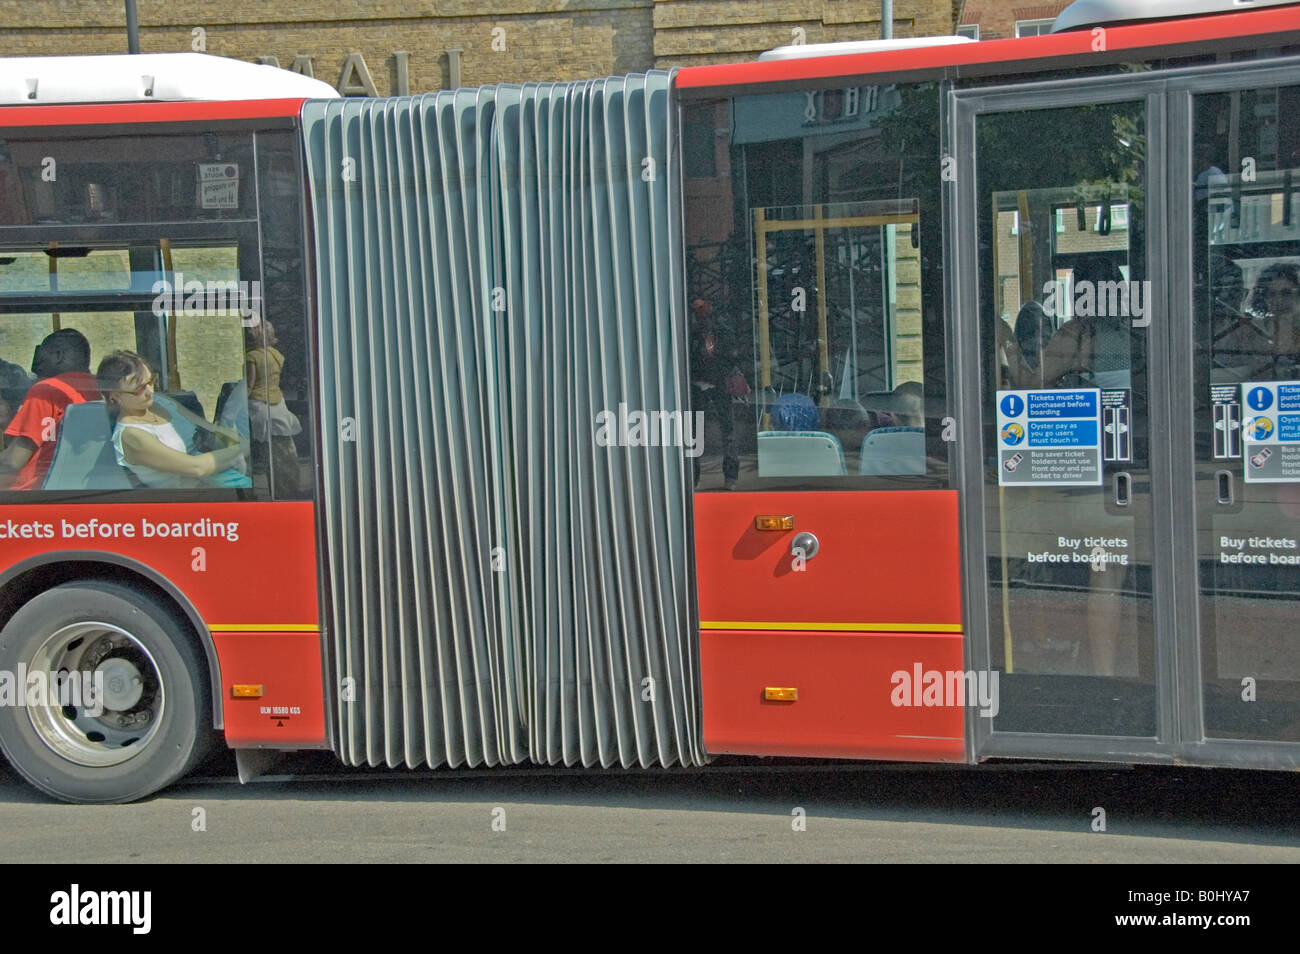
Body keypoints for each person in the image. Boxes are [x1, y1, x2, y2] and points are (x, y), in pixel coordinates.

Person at [97, 350, 248, 488]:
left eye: (151, 382)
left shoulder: (161, 401)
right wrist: (240, 450)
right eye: (139, 389)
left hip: (221, 478)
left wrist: (237, 441)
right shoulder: (131, 435)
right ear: (115, 396)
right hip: (191, 502)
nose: (150, 391)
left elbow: (209, 430)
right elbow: (196, 468)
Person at [0, 328, 99, 490]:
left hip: (28, 495)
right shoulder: (98, 390)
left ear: (59, 355)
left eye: (41, 354)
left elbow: (13, 462)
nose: (35, 365)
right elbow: (41, 444)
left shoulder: (47, 390)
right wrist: (7, 422)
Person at [244, 319, 302, 494]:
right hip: (278, 405)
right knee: (281, 452)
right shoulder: (277, 355)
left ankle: (257, 488)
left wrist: (237, 405)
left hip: (259, 406)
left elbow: (250, 385)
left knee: (260, 452)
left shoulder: (252, 357)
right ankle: (285, 487)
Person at [1248, 262, 1300, 372]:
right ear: (1264, 298)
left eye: (1286, 293)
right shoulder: (1255, 330)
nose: (1278, 301)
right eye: (1271, 294)